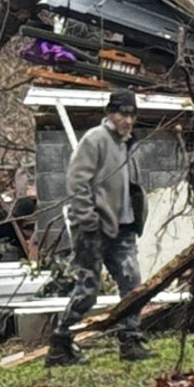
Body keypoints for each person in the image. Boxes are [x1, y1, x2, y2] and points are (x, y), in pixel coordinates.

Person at [48, 89, 150, 366]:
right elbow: (76, 182)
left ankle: (129, 339)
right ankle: (60, 343)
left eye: (132, 114)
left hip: (124, 227)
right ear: (110, 113)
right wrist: (87, 219)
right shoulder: (95, 139)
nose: (127, 120)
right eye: (122, 113)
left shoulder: (127, 143)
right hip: (94, 229)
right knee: (87, 290)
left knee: (132, 283)